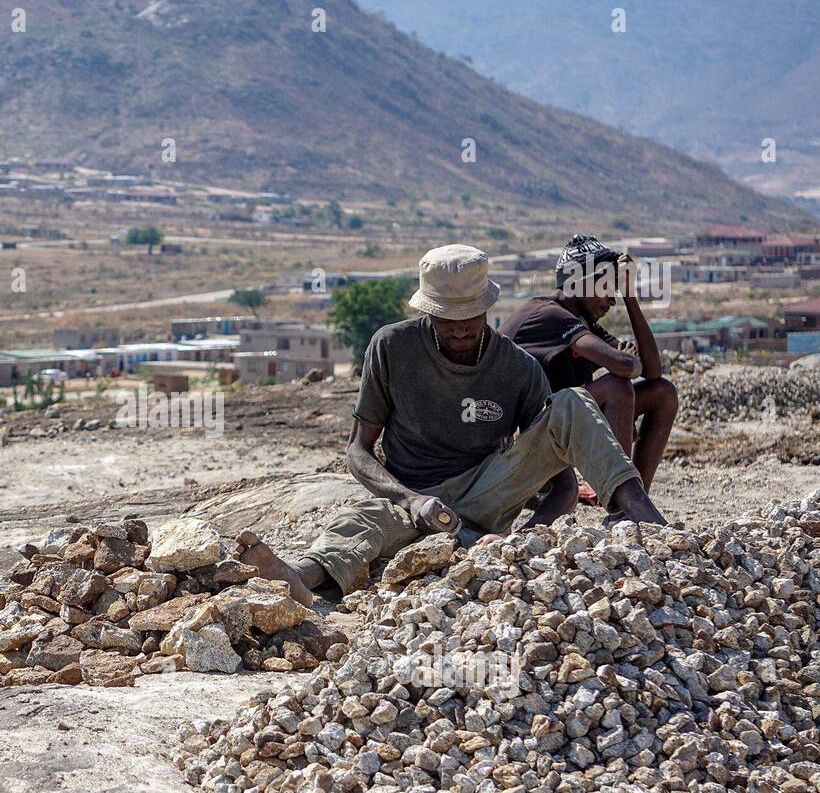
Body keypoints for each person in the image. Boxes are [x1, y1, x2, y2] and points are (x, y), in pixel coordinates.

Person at [236, 243, 666, 605]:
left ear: (486, 309)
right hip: (412, 497)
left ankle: (642, 515)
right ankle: (298, 578)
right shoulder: (392, 346)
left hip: (489, 492)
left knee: (572, 403)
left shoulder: (517, 368)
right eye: (446, 320)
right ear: (427, 311)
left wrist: (523, 541)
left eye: (469, 319)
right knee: (360, 524)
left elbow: (564, 486)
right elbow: (358, 450)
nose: (459, 330)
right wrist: (408, 499)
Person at [499, 234, 678, 494]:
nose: (612, 300)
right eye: (607, 288)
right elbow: (625, 367)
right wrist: (625, 362)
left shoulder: (584, 323)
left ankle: (634, 495)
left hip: (562, 424)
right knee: (617, 387)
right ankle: (622, 497)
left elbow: (652, 371)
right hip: (525, 441)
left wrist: (631, 298)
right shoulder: (547, 313)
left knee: (663, 393)